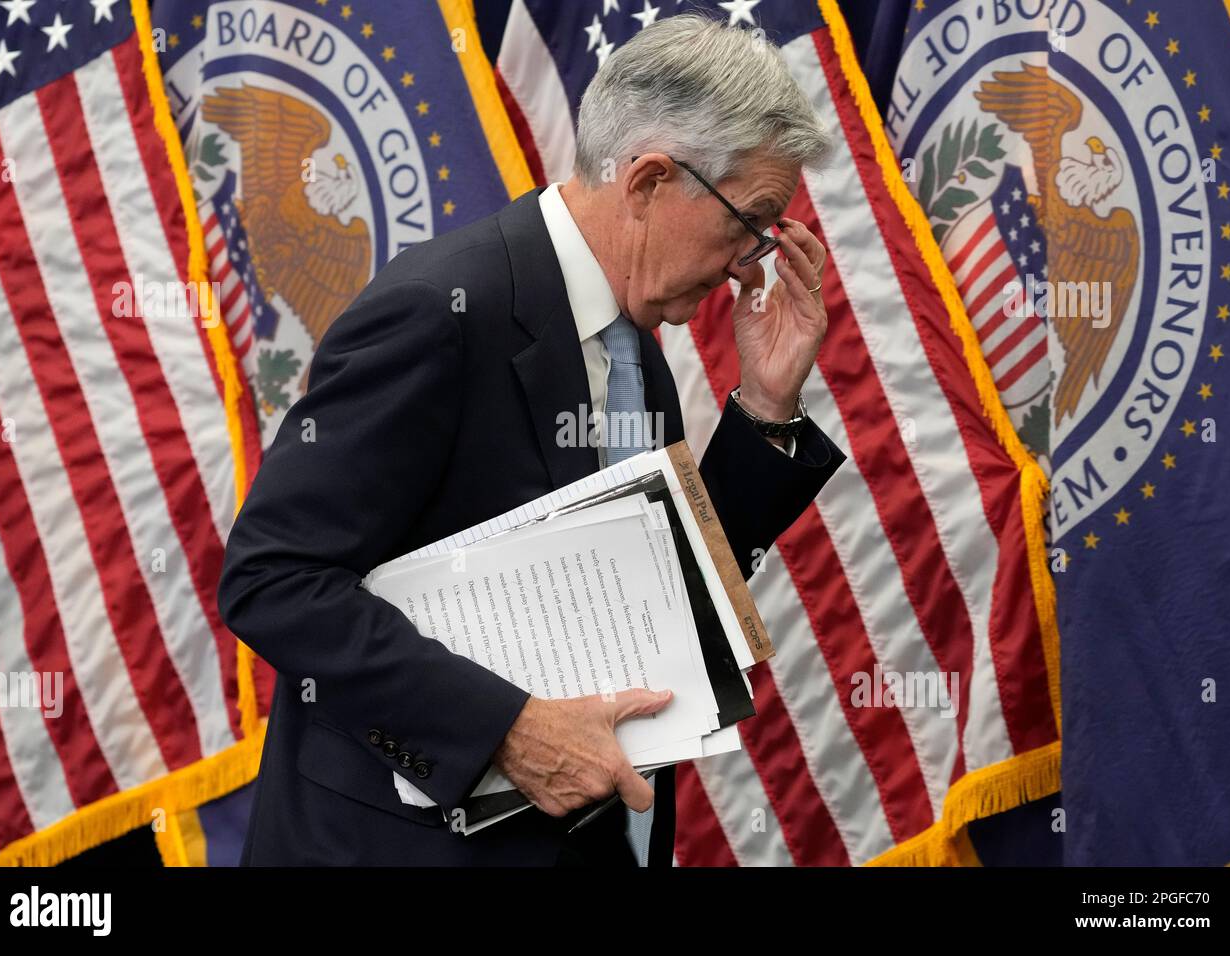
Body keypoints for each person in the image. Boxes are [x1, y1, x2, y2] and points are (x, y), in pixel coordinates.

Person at [219, 13, 845, 866]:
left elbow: (660, 597)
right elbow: (272, 579)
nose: (750, 264)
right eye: (750, 223)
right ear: (651, 181)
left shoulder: (634, 349)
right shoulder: (439, 312)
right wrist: (507, 729)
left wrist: (767, 409)